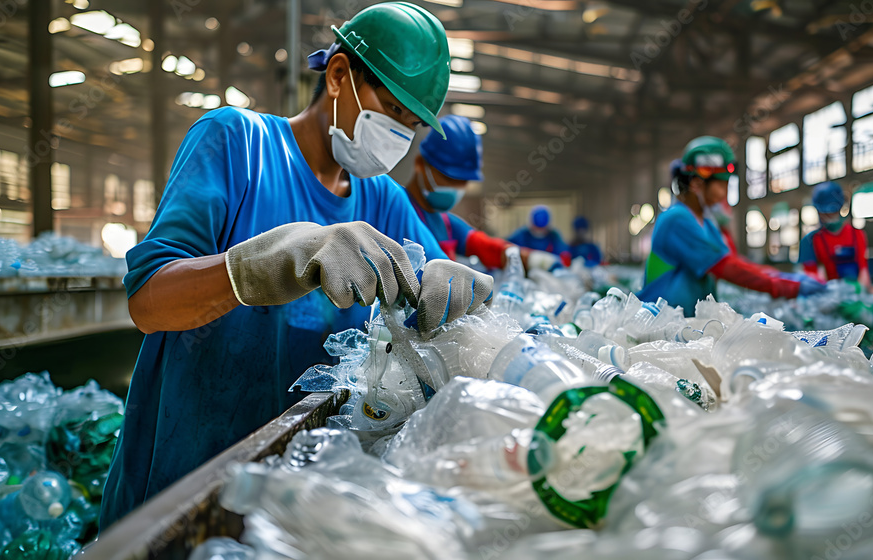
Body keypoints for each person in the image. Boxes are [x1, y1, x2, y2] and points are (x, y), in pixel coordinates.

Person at [100, 2, 493, 529]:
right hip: (179, 486)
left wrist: (455, 282)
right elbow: (149, 302)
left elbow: (436, 288)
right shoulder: (235, 144)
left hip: (293, 507)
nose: (400, 133)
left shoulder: (384, 202)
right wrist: (261, 266)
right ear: (337, 76)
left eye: (411, 122)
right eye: (391, 108)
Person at [638, 136, 825, 315]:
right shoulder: (676, 220)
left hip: (687, 323)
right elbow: (726, 267)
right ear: (696, 183)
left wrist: (781, 276)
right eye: (721, 185)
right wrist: (786, 286)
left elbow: (735, 261)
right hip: (661, 322)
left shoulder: (707, 225)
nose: (725, 193)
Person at [404, 114, 560, 272]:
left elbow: (487, 247)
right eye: (448, 178)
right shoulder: (395, 208)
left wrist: (536, 260)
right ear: (420, 164)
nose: (455, 188)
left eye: (463, 181)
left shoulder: (446, 223)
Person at [799, 181, 871, 288]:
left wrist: (861, 292)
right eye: (824, 212)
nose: (828, 215)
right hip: (827, 296)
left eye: (832, 211)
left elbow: (864, 270)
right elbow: (811, 279)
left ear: (840, 207)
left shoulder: (857, 234)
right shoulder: (809, 242)